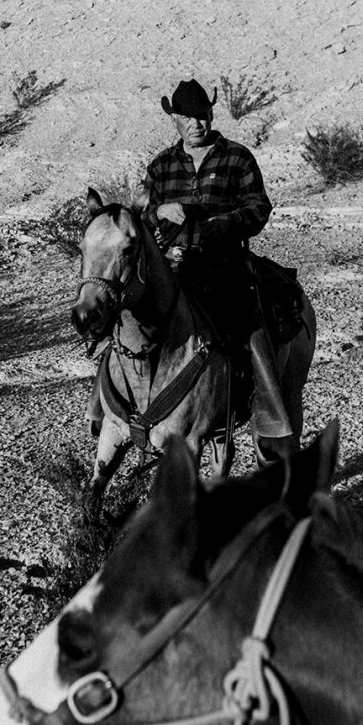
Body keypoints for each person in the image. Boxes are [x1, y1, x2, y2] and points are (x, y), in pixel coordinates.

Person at [144, 78, 296, 460]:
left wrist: (226, 223)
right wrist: (159, 211)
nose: (197, 123)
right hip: (174, 263)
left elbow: (259, 207)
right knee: (130, 318)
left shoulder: (237, 157)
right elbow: (139, 217)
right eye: (188, 118)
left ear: (211, 114)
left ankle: (272, 421)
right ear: (174, 119)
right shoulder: (161, 166)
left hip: (226, 263)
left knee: (251, 324)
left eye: (203, 115)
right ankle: (114, 411)